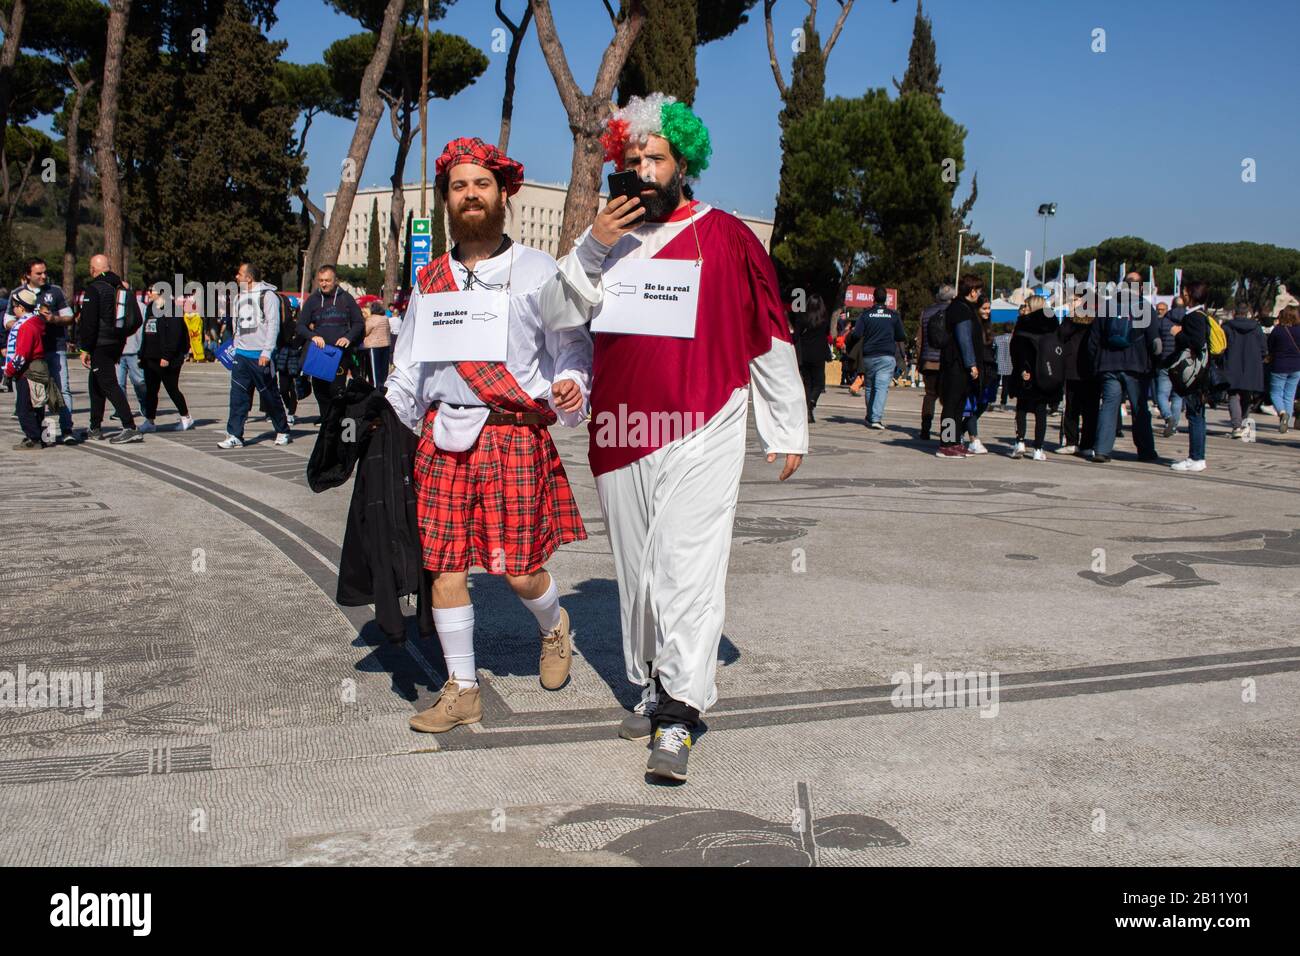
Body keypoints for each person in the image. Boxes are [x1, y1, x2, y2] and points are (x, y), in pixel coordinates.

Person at [543, 93, 807, 781]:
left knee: (688, 567)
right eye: (631, 160)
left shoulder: (727, 235)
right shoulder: (603, 242)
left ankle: (680, 714)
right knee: (639, 578)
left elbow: (770, 331)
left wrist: (784, 425)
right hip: (623, 428)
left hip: (706, 421)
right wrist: (595, 243)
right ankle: (652, 683)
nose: (642, 171)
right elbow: (558, 316)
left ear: (683, 164)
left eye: (655, 158)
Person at [385, 137, 592, 736]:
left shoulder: (537, 271)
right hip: (443, 437)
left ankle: (555, 626)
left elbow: (571, 346)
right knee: (445, 568)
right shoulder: (430, 279)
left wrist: (572, 382)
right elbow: (410, 367)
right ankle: (463, 690)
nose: (470, 195)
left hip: (512, 436)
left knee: (518, 570)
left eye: (481, 184)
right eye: (458, 186)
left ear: (504, 193)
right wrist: (385, 414)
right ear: (446, 200)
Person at [1086, 272, 1160, 464]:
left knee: (1109, 406)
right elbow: (1155, 342)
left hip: (1109, 365)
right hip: (1136, 366)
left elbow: (1093, 339)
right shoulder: (1145, 307)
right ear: (1141, 287)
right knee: (1139, 408)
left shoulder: (1107, 305)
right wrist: (1154, 365)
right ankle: (1146, 451)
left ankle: (1102, 449)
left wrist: (1095, 364)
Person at [218, 262, 291, 449]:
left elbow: (273, 325)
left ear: (249, 278)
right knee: (237, 397)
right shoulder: (238, 297)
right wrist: (234, 347)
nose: (236, 277)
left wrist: (267, 352)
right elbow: (236, 325)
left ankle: (282, 430)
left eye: (239, 274)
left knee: (269, 395)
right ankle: (235, 434)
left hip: (260, 355)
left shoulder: (267, 297)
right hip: (241, 355)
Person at [4, 258, 77, 443]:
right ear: (27, 275)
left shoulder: (55, 291)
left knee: (61, 389)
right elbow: (7, 320)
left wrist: (52, 319)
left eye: (45, 272)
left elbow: (69, 317)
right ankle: (45, 434)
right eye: (38, 273)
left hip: (54, 347)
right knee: (36, 396)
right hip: (31, 354)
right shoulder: (17, 293)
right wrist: (27, 323)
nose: (43, 276)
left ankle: (67, 429)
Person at [77, 254, 143, 443]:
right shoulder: (121, 288)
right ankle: (95, 426)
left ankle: (130, 426)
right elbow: (136, 319)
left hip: (100, 344)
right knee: (96, 383)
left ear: (93, 270)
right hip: (116, 343)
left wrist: (85, 349)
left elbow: (89, 323)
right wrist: (121, 335)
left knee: (109, 384)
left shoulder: (94, 289)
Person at [296, 265, 365, 422]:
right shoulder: (313, 300)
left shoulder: (346, 298)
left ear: (335, 281)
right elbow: (300, 325)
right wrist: (312, 336)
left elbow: (358, 323)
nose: (324, 284)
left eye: (327, 280)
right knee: (320, 390)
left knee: (336, 389)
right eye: (321, 280)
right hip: (319, 353)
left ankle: (338, 420)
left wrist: (348, 337)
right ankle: (327, 419)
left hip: (339, 354)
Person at [935, 274, 985, 459]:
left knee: (958, 405)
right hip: (956, 365)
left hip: (957, 364)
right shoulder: (961, 310)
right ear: (972, 291)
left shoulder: (962, 307)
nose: (979, 295)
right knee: (952, 404)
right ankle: (946, 444)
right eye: (978, 291)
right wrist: (971, 364)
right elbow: (964, 339)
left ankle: (955, 442)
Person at [1008, 295, 1063, 460]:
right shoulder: (1053, 324)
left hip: (1026, 371)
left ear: (1031, 307)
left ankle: (1020, 441)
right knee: (1041, 412)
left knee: (1022, 408)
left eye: (1026, 305)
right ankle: (1038, 448)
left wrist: (1022, 369)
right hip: (1046, 372)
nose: (1023, 308)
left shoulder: (1024, 324)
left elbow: (1016, 349)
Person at [847, 287, 905, 429]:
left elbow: (856, 334)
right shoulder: (893, 315)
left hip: (868, 356)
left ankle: (869, 416)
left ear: (873, 298)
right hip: (886, 356)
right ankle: (876, 418)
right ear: (886, 299)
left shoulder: (866, 315)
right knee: (881, 387)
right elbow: (901, 336)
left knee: (869, 386)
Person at [1170, 280, 1212, 472]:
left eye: (1185, 292)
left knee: (1194, 415)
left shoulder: (1194, 317)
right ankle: (1197, 456)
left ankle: (1196, 457)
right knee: (1198, 415)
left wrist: (1178, 334)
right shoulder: (1202, 315)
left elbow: (1196, 341)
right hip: (1200, 371)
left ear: (1191, 295)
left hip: (1194, 373)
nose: (1183, 295)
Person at [138, 286, 193, 432]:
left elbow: (175, 335)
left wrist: (167, 356)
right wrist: (142, 354)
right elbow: (146, 332)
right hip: (150, 356)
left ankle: (186, 417)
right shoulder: (150, 308)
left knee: (172, 389)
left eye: (152, 290)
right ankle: (149, 421)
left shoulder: (172, 309)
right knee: (151, 390)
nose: (149, 293)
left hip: (168, 358)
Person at [4, 289, 52, 448]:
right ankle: (39, 436)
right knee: (36, 405)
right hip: (36, 367)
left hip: (27, 370)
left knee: (23, 408)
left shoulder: (26, 326)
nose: (13, 309)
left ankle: (34, 438)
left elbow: (22, 354)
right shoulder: (35, 321)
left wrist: (8, 371)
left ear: (22, 307)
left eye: (15, 306)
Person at [1058, 293, 1099, 457]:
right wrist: (1071, 314)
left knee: (1087, 409)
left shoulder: (1095, 320)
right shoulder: (1072, 320)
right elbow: (1060, 335)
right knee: (1075, 408)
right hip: (1075, 370)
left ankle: (1084, 443)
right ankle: (1073, 442)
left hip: (1088, 370)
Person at [1222, 304, 1267, 439]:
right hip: (1251, 365)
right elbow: (1263, 348)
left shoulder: (1227, 327)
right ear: (1247, 313)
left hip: (1231, 364)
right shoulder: (1256, 328)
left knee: (1233, 395)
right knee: (1247, 394)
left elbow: (1221, 346)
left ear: (1235, 312)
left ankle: (1236, 426)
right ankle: (1243, 421)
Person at [916, 285, 954, 441]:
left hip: (929, 362)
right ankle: (947, 434)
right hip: (948, 363)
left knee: (930, 396)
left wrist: (920, 360)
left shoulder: (926, 313)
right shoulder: (954, 313)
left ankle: (925, 429)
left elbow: (920, 339)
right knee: (950, 400)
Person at [1266, 305, 1300, 433]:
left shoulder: (1278, 330)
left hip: (1279, 365)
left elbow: (1270, 347)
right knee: (1289, 395)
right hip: (1297, 367)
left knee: (1275, 392)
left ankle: (1282, 413)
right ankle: (1286, 420)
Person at [114, 292, 149, 416]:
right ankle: (121, 410)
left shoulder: (140, 306)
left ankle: (145, 405)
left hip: (134, 350)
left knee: (139, 382)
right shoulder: (113, 305)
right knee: (118, 383)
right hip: (118, 351)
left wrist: (142, 348)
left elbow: (143, 328)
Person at [1154, 299, 1184, 437]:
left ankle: (1167, 416)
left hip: (1165, 361)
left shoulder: (1162, 322)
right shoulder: (1188, 320)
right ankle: (1173, 426)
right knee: (1177, 396)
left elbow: (1156, 343)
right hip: (1181, 363)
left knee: (1162, 394)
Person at [360, 300, 393, 390]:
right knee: (384, 370)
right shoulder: (385, 318)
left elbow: (365, 332)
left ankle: (375, 389)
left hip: (374, 346)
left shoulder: (372, 319)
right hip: (385, 344)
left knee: (375, 371)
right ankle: (383, 388)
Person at [993, 323, 1013, 410]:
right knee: (1006, 386)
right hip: (1009, 365)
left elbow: (993, 350)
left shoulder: (997, 338)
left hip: (997, 364)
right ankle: (1003, 403)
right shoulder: (1013, 339)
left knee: (994, 385)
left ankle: (991, 401)